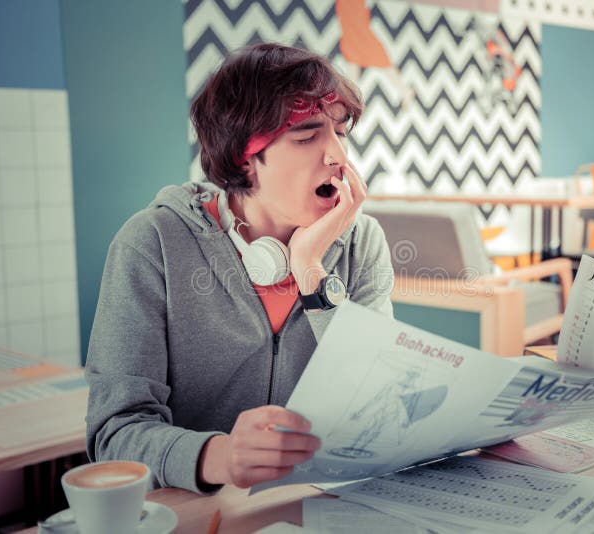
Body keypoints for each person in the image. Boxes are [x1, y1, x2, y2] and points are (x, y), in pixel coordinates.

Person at [84, 42, 394, 493]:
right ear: (243, 159)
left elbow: (381, 406)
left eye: (341, 132)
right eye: (306, 136)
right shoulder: (152, 244)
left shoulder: (360, 241)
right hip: (197, 510)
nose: (338, 156)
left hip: (318, 504)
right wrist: (221, 456)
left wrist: (311, 271)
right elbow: (114, 433)